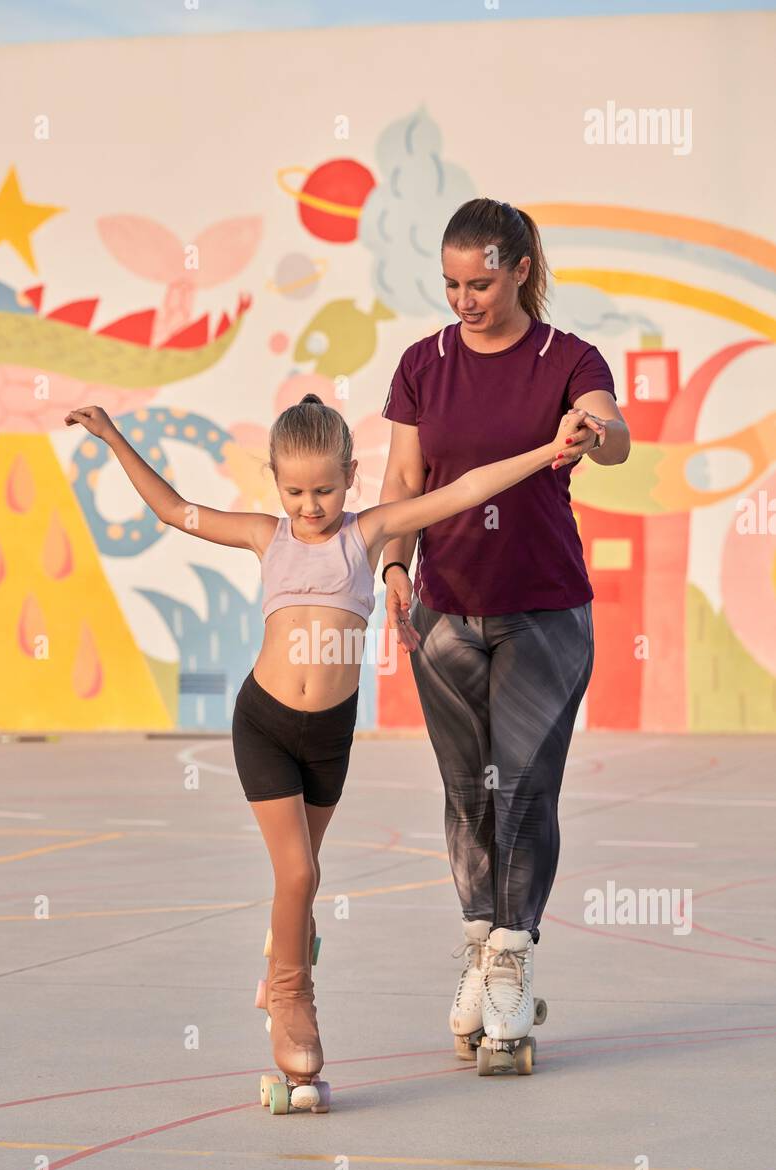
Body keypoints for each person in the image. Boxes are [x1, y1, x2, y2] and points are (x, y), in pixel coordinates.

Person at [64, 390, 598, 1106]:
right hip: (265, 727)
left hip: (328, 740)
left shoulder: (368, 533)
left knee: (305, 875)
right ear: (274, 481)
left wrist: (547, 452)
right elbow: (173, 509)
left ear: (350, 475)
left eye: (322, 490)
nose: (309, 506)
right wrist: (112, 436)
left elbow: (466, 490)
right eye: (293, 491)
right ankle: (291, 1005)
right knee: (297, 877)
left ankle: (283, 971)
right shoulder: (265, 535)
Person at [379, 197, 630, 1073]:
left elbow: (615, 432)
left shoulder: (568, 358)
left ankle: (513, 962)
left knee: (523, 788)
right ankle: (480, 948)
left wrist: (595, 431)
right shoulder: (422, 365)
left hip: (547, 613)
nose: (464, 299)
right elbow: (405, 479)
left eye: (480, 282)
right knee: (465, 792)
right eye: (450, 283)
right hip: (445, 610)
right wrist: (396, 567)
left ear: (521, 270)